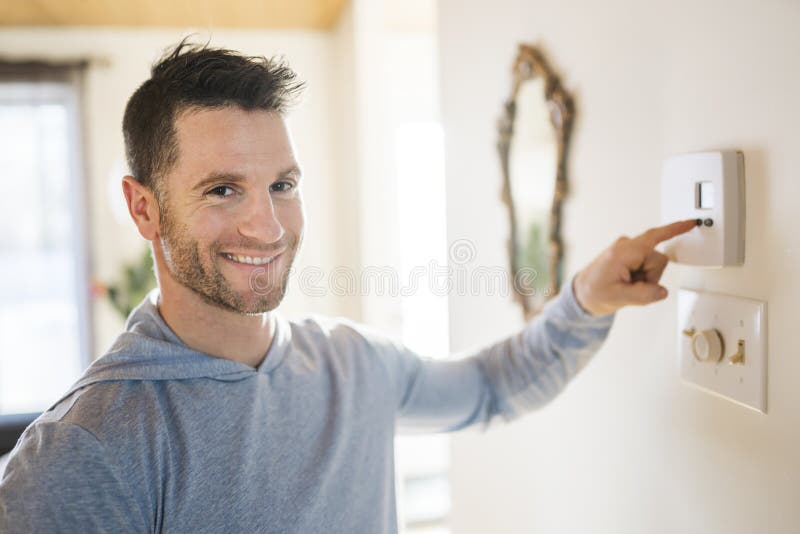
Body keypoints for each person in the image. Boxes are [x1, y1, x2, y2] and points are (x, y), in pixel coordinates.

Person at [0, 40, 696, 533]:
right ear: (144, 207)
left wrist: (585, 300)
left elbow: (491, 386)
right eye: (221, 189)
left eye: (283, 185)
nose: (267, 225)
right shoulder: (83, 452)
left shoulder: (349, 361)